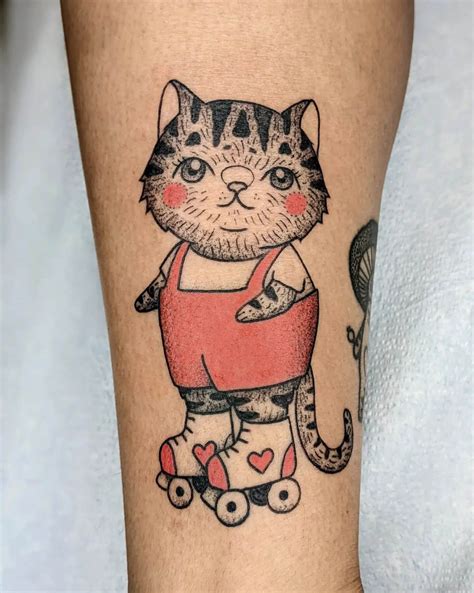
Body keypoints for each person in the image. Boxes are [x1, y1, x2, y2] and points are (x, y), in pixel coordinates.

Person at [61, 2, 414, 591]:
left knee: (260, 406)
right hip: (199, 354)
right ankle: (204, 434)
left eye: (277, 177)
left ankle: (265, 447)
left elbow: (241, 33)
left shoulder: (281, 260)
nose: (235, 190)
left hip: (261, 362)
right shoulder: (183, 254)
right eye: (198, 170)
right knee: (200, 399)